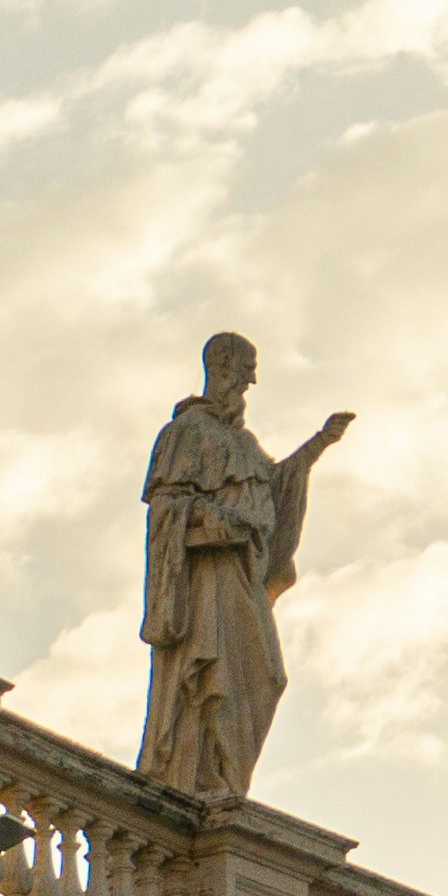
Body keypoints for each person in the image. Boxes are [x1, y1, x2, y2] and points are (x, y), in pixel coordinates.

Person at [136, 332, 353, 800]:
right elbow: (167, 508)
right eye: (246, 369)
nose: (252, 380)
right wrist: (218, 520)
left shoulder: (243, 442)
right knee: (212, 675)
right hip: (210, 577)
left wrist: (319, 444)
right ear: (222, 366)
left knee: (267, 676)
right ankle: (200, 778)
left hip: (244, 574)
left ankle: (226, 780)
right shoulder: (186, 434)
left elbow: (275, 486)